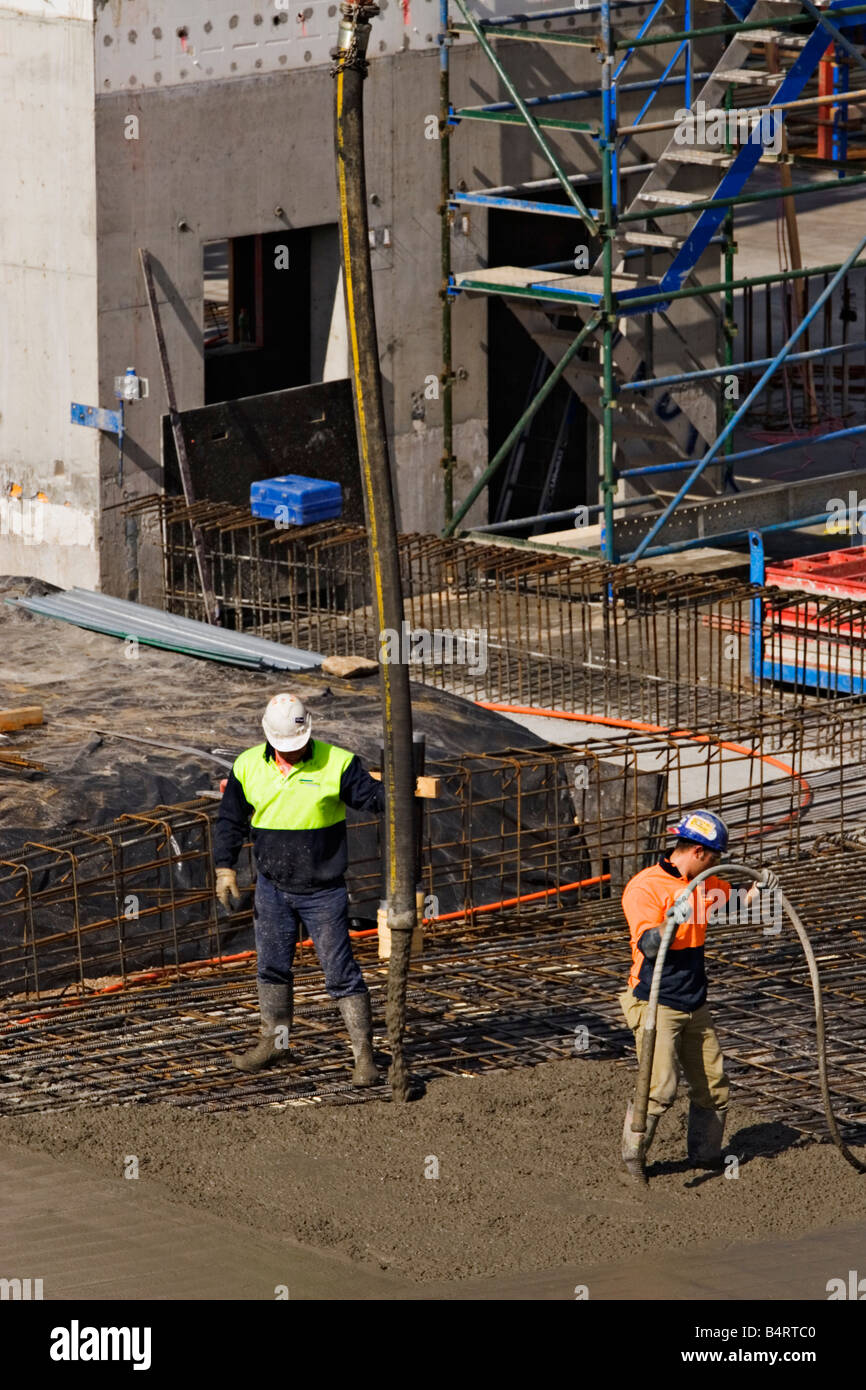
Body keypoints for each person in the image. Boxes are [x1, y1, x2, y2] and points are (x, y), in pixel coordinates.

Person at [213, 692, 386, 1085]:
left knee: (340, 974)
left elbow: (370, 797)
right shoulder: (247, 767)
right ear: (269, 739)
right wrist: (225, 867)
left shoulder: (337, 763)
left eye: (300, 743)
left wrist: (396, 789)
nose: (294, 751)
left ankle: (364, 1057)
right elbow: (230, 821)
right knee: (272, 968)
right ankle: (276, 1043)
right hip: (272, 888)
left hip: (323, 891)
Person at [618, 810, 779, 1182]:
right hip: (654, 1000)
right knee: (658, 1089)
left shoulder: (703, 882)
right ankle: (633, 1164)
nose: (718, 865)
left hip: (694, 1001)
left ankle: (706, 1157)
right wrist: (673, 919)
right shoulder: (646, 887)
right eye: (717, 858)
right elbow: (649, 944)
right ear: (701, 852)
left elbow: (737, 903)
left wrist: (761, 888)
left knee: (713, 1084)